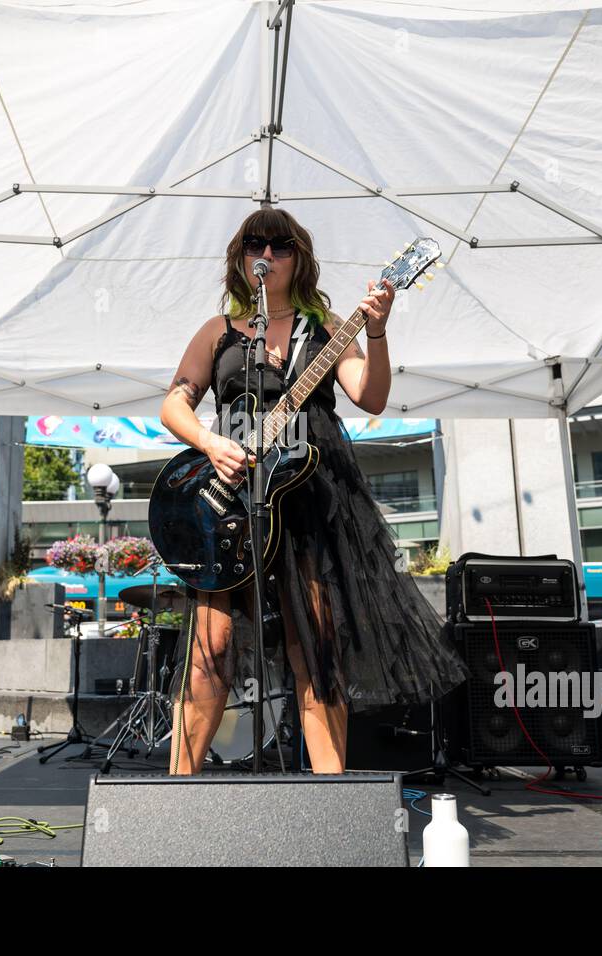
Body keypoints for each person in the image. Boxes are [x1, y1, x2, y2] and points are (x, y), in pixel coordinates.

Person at [158, 208, 466, 775]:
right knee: (209, 653)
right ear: (239, 256)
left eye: (281, 246)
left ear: (298, 257)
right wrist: (209, 442)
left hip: (309, 508)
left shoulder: (322, 325)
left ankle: (333, 798)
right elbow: (174, 403)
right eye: (256, 244)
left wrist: (375, 330)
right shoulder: (218, 332)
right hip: (231, 507)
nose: (268, 254)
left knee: (316, 654)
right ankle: (177, 792)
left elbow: (370, 397)